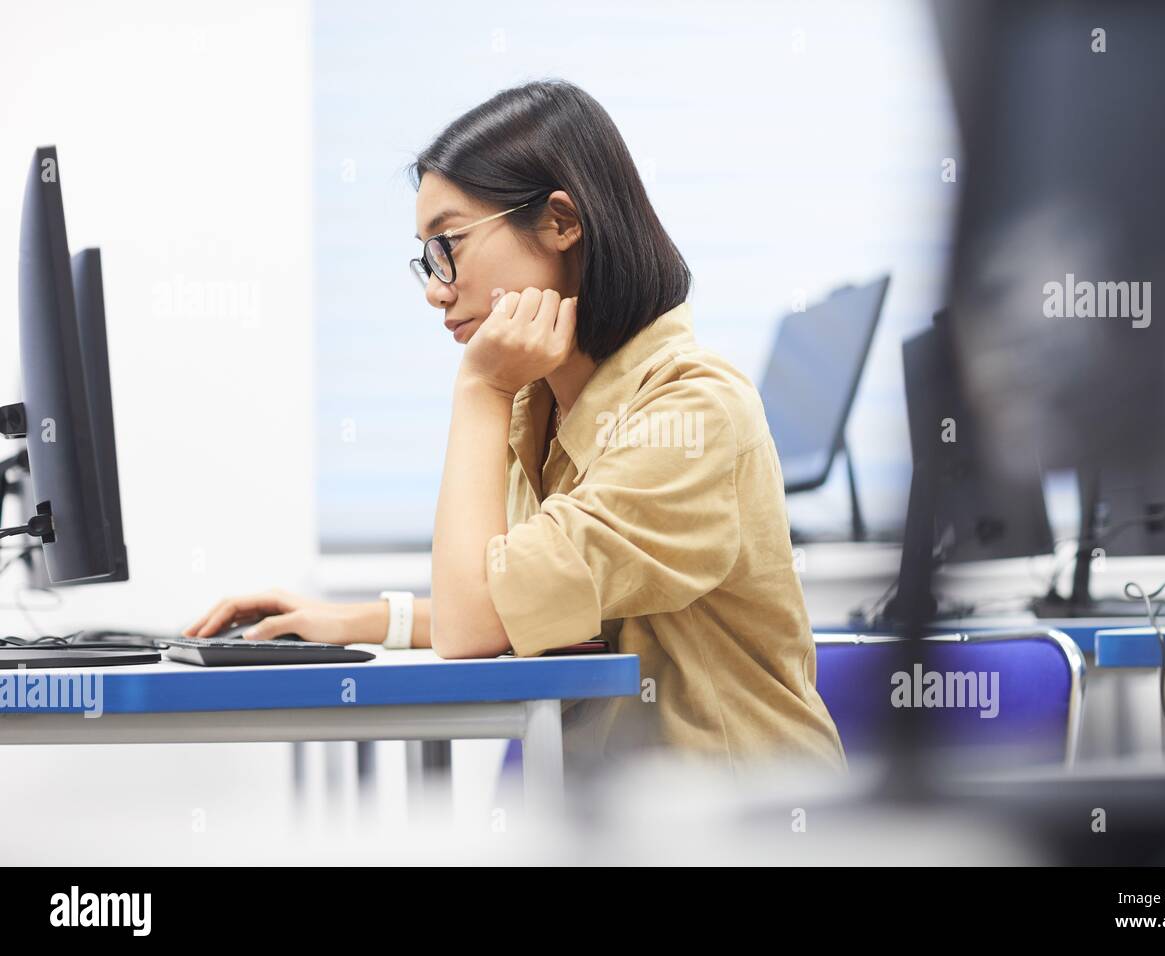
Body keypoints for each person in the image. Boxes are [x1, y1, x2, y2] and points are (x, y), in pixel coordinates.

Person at [185, 79, 846, 773]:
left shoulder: (692, 411)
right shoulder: (544, 407)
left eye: (449, 246)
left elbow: (477, 626)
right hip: (622, 820)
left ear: (561, 221)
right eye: (427, 259)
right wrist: (348, 622)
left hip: (744, 823)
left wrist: (479, 387)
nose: (437, 290)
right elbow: (518, 601)